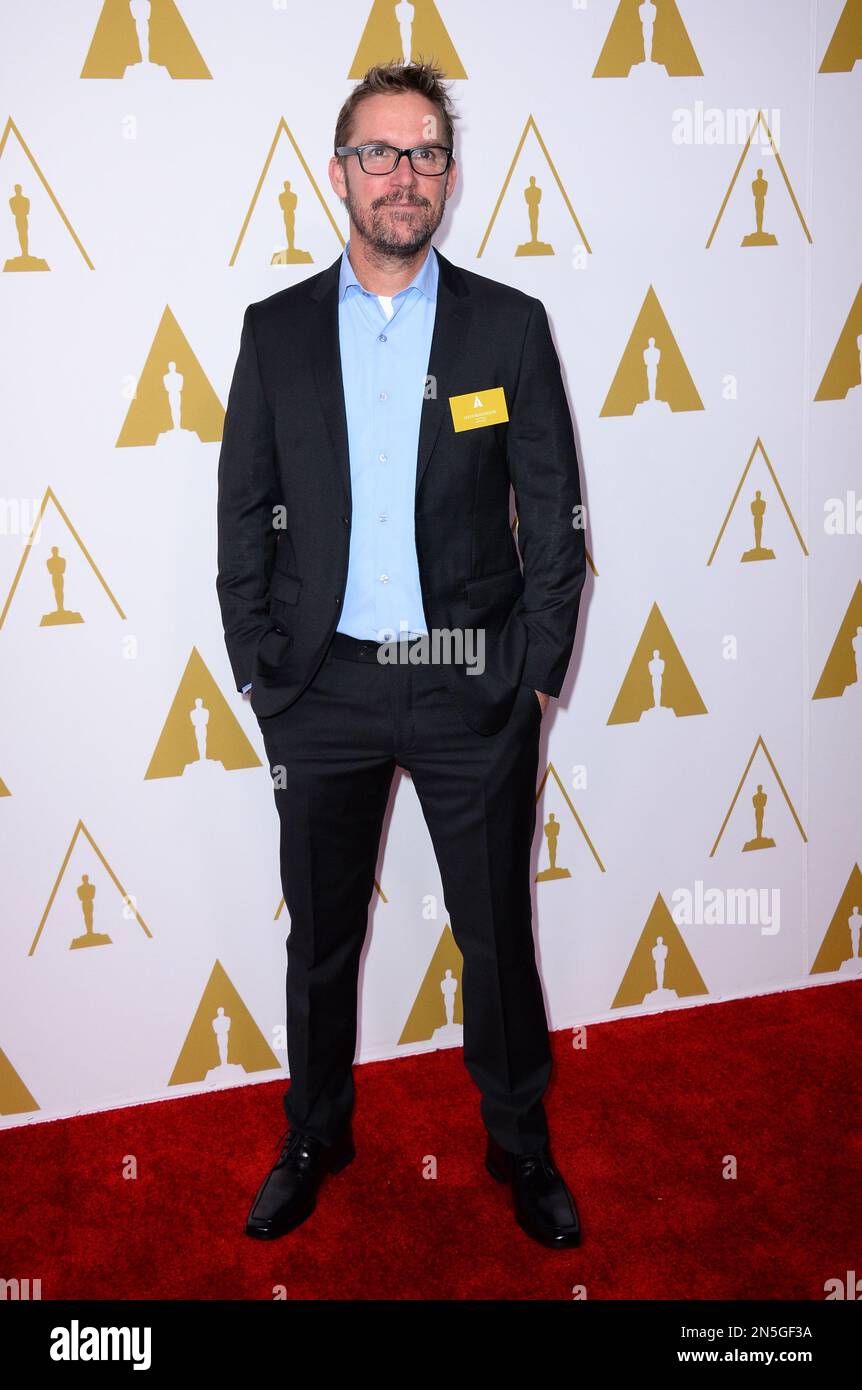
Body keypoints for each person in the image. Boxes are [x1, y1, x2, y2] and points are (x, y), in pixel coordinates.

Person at [216, 60, 587, 1249]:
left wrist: (529, 668)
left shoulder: (506, 326)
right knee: (319, 938)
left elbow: (556, 512)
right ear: (338, 173)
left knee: (494, 932)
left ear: (448, 174)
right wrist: (262, 666)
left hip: (466, 683)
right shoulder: (273, 333)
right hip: (320, 687)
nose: (402, 175)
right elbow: (243, 514)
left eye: (425, 153)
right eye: (378, 153)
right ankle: (314, 1135)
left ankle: (519, 1142)